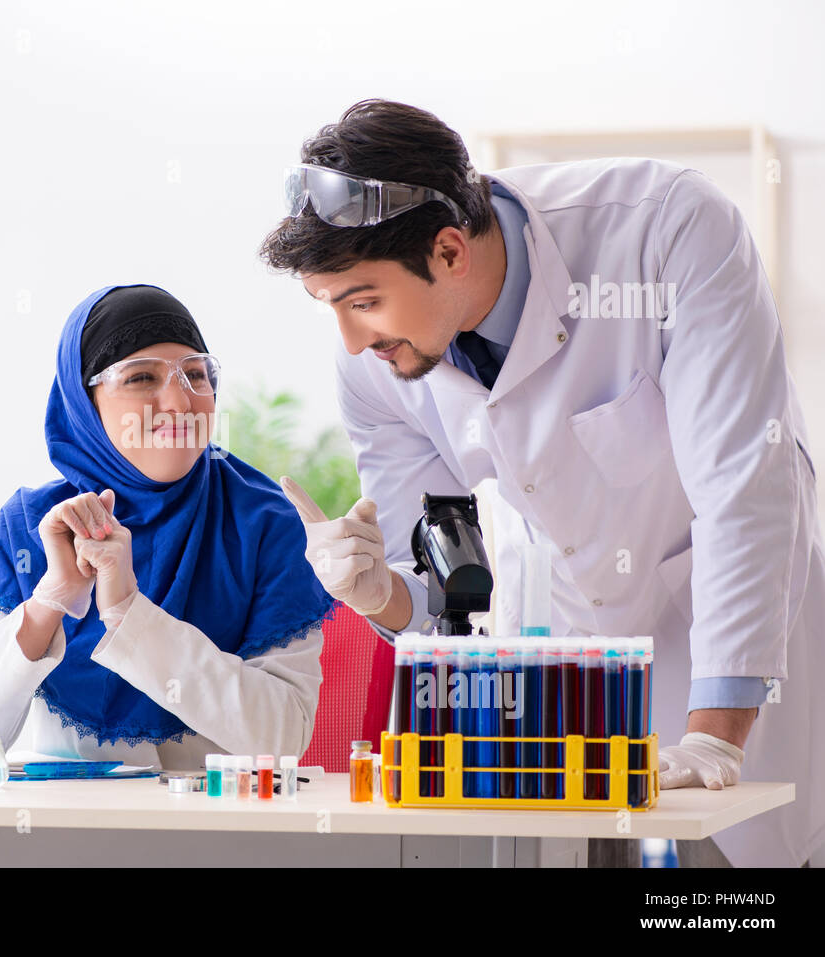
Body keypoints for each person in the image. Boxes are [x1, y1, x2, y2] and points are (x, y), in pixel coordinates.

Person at [261, 99, 824, 868]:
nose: (353, 338)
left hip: (729, 644)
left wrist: (713, 733)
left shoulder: (666, 230)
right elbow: (434, 584)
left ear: (451, 250)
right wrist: (375, 592)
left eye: (363, 300)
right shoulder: (377, 362)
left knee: (734, 891)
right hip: (575, 675)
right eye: (331, 306)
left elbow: (744, 488)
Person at [0, 284, 335, 769]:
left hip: (216, 829)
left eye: (196, 376)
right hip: (58, 826)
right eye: (142, 378)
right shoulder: (32, 529)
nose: (181, 404)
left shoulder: (265, 523)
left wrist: (127, 613)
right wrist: (50, 598)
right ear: (84, 401)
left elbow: (283, 736)